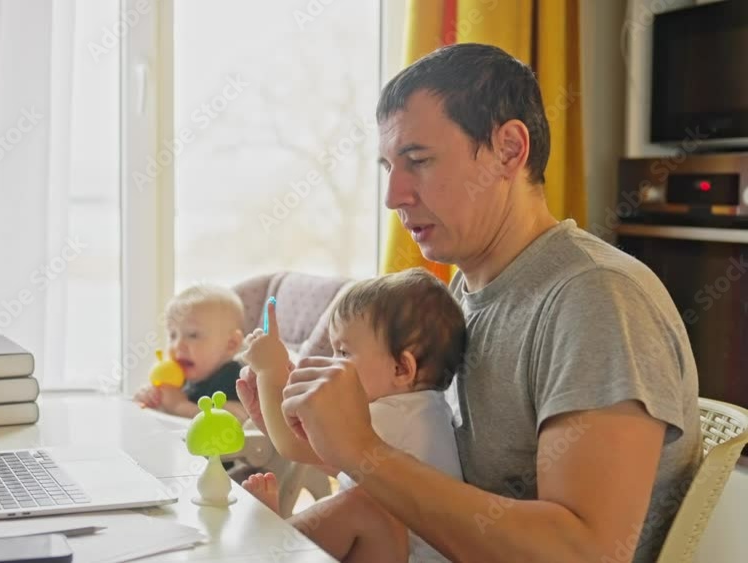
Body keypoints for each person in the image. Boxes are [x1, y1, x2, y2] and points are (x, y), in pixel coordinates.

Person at [237, 43, 701, 563]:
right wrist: (331, 437)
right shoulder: (457, 297)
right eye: (389, 166)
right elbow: (425, 475)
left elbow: (583, 552)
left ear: (508, 150)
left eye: (418, 160)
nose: (393, 195)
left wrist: (364, 453)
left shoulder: (596, 298)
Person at [240, 268, 466, 562]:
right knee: (360, 505)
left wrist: (270, 373)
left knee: (358, 507)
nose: (333, 365)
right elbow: (318, 451)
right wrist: (276, 404)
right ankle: (281, 538)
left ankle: (274, 548)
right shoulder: (424, 408)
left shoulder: (393, 415)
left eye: (344, 354)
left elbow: (293, 445)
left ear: (401, 369)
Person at [134, 284, 247, 420]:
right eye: (173, 335)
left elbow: (236, 419)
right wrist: (152, 399)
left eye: (193, 335)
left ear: (231, 344)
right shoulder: (181, 377)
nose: (178, 345)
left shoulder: (235, 377)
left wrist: (179, 406)